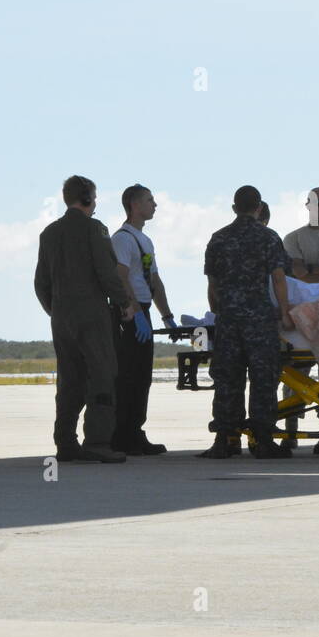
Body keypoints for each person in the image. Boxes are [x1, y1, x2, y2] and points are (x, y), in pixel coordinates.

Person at [33, 175, 134, 464]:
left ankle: (65, 442)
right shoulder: (94, 229)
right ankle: (99, 441)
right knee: (102, 374)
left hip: (62, 316)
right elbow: (106, 271)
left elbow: (41, 282)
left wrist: (56, 310)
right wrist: (123, 302)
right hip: (92, 313)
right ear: (88, 198)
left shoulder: (49, 233)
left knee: (69, 380)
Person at [200, 185, 295, 459]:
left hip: (229, 320)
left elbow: (212, 284)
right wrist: (286, 312)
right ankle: (263, 439)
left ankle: (225, 440)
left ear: (234, 208)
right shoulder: (268, 238)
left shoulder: (218, 239)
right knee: (263, 378)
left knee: (228, 378)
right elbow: (279, 278)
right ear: (259, 208)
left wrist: (218, 312)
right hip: (259, 321)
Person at [110, 184, 176, 456]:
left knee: (142, 377)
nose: (155, 205)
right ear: (135, 205)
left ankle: (134, 432)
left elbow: (154, 280)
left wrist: (167, 315)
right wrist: (135, 313)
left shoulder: (144, 240)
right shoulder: (123, 239)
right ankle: (123, 434)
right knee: (129, 377)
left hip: (144, 310)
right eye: (150, 200)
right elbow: (120, 276)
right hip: (130, 314)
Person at [282, 188, 319, 452]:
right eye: (315, 203)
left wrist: (312, 271)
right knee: (295, 377)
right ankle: (290, 430)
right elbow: (299, 274)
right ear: (307, 206)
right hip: (302, 318)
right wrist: (317, 271)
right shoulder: (293, 238)